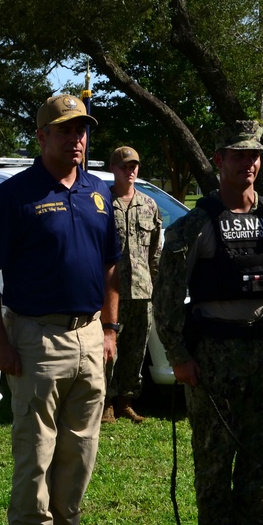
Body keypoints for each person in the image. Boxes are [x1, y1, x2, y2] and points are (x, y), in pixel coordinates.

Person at [0, 94, 120, 525]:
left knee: (80, 451)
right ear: (41, 136)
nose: (76, 139)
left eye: (82, 130)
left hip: (89, 334)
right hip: (36, 337)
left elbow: (110, 267)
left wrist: (109, 328)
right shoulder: (15, 195)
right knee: (36, 451)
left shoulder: (99, 192)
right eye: (65, 130)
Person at [152, 120, 263, 525]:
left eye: (254, 156)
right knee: (213, 448)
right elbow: (166, 299)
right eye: (239, 155)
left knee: (260, 447)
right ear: (219, 160)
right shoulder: (196, 224)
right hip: (213, 354)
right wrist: (179, 357)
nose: (248, 163)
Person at [102, 146, 162, 423]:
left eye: (134, 166)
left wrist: (155, 285)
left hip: (141, 291)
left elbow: (155, 251)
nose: (130, 171)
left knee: (136, 351)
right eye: (125, 166)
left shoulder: (149, 205)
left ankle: (126, 400)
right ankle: (106, 402)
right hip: (111, 293)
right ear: (113, 168)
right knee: (107, 351)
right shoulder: (102, 203)